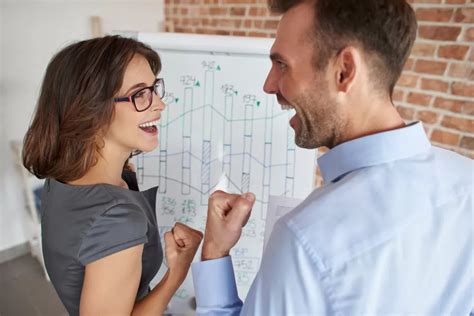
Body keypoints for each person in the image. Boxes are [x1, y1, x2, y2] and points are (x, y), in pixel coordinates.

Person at [192, 0, 473, 314]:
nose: (269, 85)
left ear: (345, 71)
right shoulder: (468, 184)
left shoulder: (305, 240)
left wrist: (215, 253)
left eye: (282, 65)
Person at [22, 36, 203, 315]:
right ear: (90, 109)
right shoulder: (116, 220)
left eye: (154, 89)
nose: (159, 105)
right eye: (139, 93)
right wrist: (176, 273)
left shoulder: (63, 180)